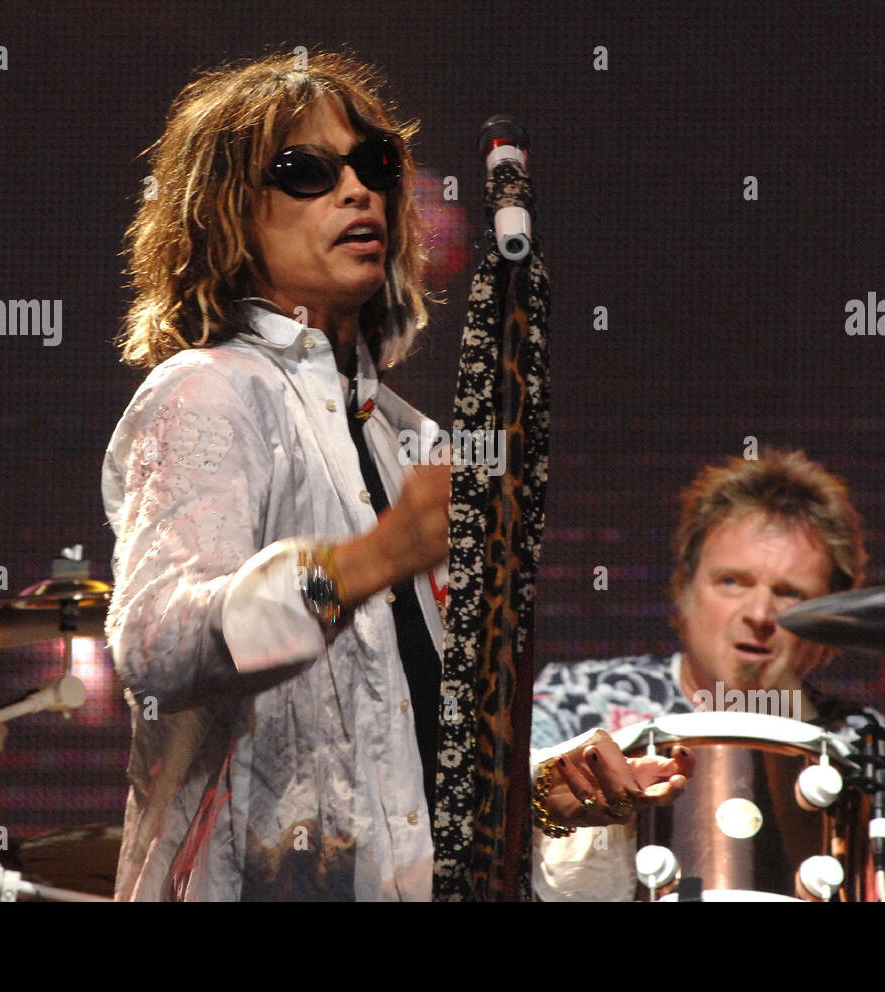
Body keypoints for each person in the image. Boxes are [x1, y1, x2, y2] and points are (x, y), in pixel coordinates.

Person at [102, 51, 689, 901]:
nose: (357, 191)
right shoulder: (208, 391)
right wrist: (369, 559)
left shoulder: (411, 441)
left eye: (374, 165)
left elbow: (390, 743)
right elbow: (155, 646)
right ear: (227, 213)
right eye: (306, 171)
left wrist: (521, 795)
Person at [532, 449, 885, 901]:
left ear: (834, 622)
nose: (759, 614)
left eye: (789, 593)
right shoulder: (578, 699)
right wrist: (543, 792)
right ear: (684, 590)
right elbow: (484, 813)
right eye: (733, 582)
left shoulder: (862, 739)